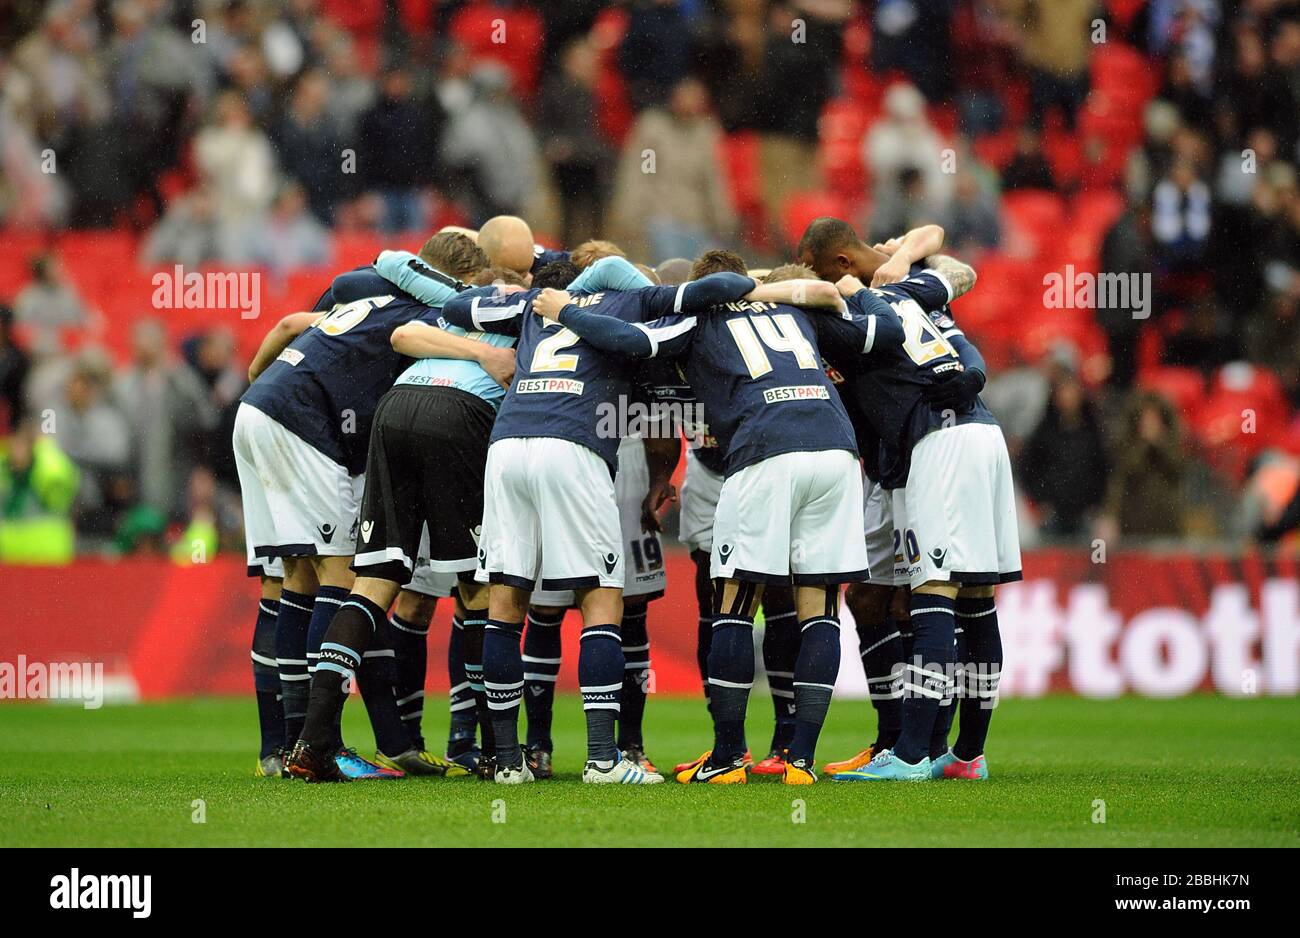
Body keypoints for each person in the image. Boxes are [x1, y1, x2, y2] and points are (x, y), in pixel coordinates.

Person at [533, 250, 868, 785]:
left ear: (699, 288)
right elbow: (843, 313)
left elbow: (633, 343)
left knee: (733, 603)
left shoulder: (696, 317)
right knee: (821, 605)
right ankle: (798, 759)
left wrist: (567, 311)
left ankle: (729, 756)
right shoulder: (792, 312)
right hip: (835, 450)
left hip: (765, 452)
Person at [434, 258, 775, 784]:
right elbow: (730, 285)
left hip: (507, 446)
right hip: (572, 445)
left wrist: (514, 292)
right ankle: (602, 758)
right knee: (602, 597)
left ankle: (507, 761)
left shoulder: (535, 304)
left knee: (506, 598)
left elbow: (455, 305)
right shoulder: (634, 300)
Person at [235, 231, 486, 779]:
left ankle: (278, 749)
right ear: (460, 281)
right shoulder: (431, 310)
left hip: (259, 409)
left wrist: (259, 382)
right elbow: (406, 337)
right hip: (302, 422)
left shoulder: (366, 291)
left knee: (290, 577)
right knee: (344, 575)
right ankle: (322, 745)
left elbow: (286, 325)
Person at [797, 218, 1016, 781]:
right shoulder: (909, 289)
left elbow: (941, 253)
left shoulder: (854, 313)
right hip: (983, 434)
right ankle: (966, 754)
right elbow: (954, 266)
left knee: (934, 593)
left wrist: (846, 290)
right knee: (976, 598)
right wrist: (905, 254)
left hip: (937, 445)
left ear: (840, 267)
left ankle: (913, 754)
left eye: (819, 277)